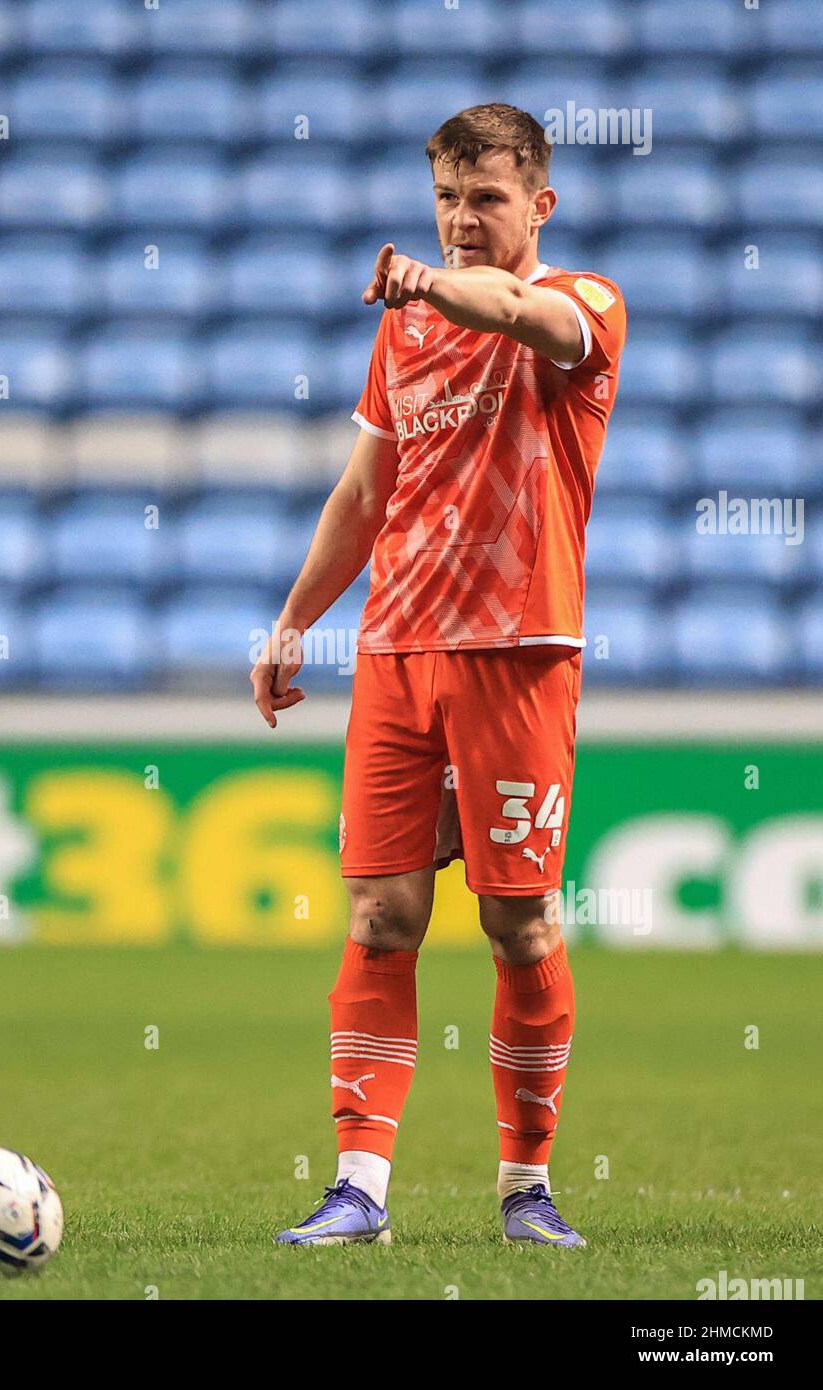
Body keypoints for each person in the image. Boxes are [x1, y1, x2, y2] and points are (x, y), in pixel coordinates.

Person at [250, 104, 626, 1248]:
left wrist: (421, 282)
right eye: (447, 201)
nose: (463, 221)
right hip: (396, 652)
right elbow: (364, 496)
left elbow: (516, 311)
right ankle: (358, 1187)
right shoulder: (402, 334)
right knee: (379, 916)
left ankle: (525, 1188)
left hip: (518, 653)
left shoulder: (585, 306)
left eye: (487, 199)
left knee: (517, 927)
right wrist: (291, 621)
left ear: (539, 205)